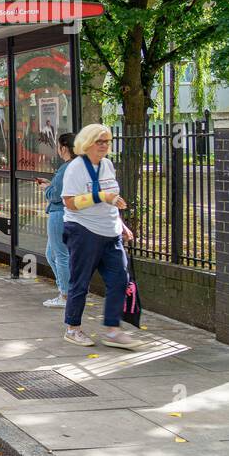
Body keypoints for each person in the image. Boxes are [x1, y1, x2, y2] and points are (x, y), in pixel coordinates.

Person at [61, 124, 139, 350]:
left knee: (119, 280)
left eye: (107, 141)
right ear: (87, 143)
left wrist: (121, 225)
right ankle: (73, 328)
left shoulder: (107, 165)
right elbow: (70, 203)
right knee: (80, 281)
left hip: (110, 231)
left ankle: (113, 331)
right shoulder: (76, 168)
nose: (105, 145)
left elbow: (111, 199)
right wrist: (102, 196)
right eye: (100, 141)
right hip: (83, 230)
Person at [41, 132, 76, 308]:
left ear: (63, 148)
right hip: (65, 212)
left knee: (60, 255)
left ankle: (66, 294)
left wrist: (46, 189)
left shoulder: (66, 167)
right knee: (51, 254)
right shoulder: (77, 166)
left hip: (59, 213)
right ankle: (65, 289)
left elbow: (56, 194)